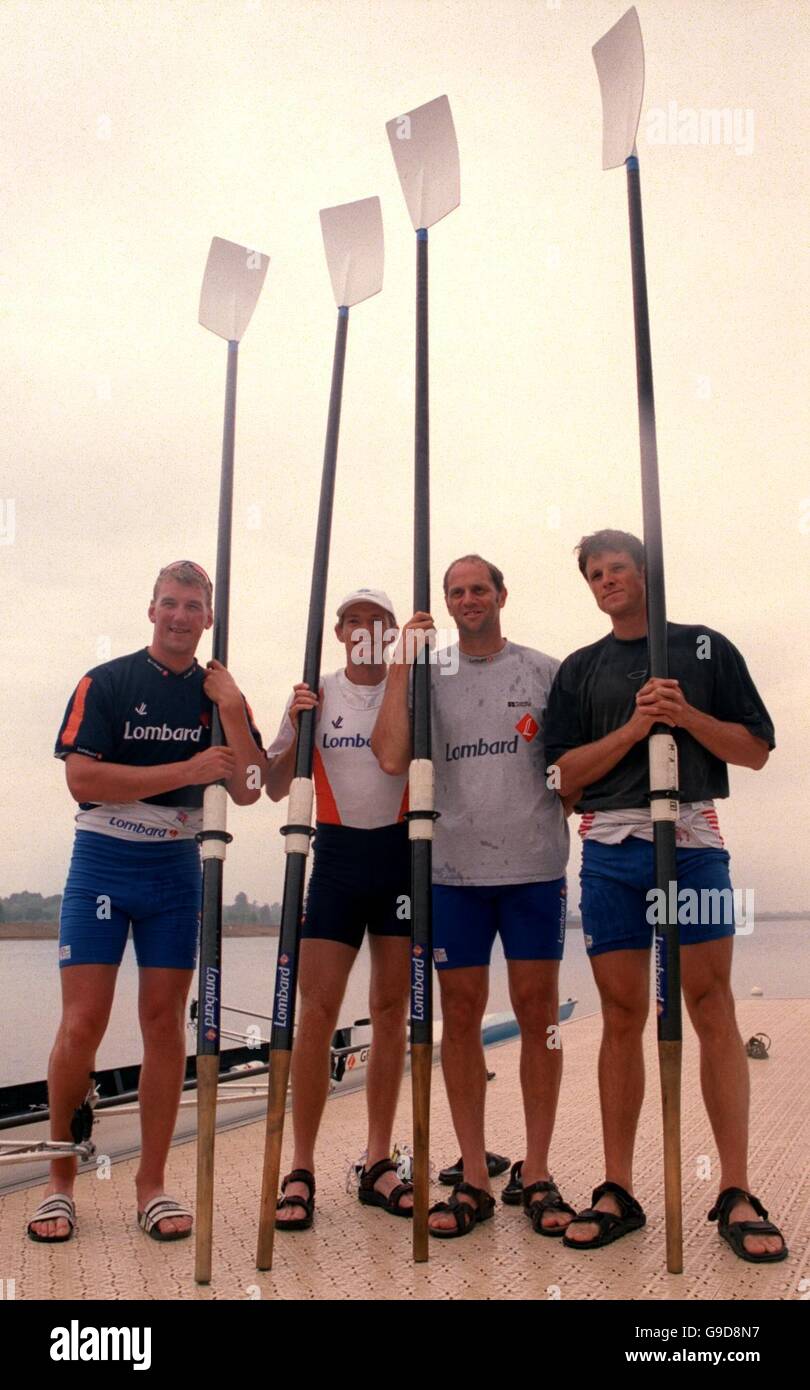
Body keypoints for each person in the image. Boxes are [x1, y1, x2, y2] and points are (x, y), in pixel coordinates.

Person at [544, 528, 787, 1261]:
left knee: (712, 1005)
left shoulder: (706, 648)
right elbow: (560, 781)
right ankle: (617, 1186)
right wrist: (635, 727)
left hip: (695, 845)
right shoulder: (581, 669)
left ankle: (735, 1189)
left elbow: (755, 750)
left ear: (646, 574)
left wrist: (684, 718)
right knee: (621, 1014)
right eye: (596, 573)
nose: (608, 580)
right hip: (611, 852)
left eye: (620, 569)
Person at [28, 560, 264, 1244]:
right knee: (83, 1025)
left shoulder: (220, 692)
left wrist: (230, 711)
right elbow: (81, 778)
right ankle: (60, 1181)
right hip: (104, 860)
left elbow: (249, 787)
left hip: (174, 867)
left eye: (194, 606)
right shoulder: (106, 681)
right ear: (151, 609)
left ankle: (151, 1184)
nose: (181, 616)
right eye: (170, 603)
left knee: (165, 1027)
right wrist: (185, 771)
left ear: (208, 617)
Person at [372, 556, 574, 1239]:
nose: (467, 600)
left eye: (478, 589)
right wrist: (404, 662)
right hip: (451, 872)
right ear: (447, 604)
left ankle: (538, 1170)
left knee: (538, 1011)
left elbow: (573, 767)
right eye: (456, 592)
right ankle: (475, 1178)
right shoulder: (432, 674)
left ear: (501, 593)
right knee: (458, 1016)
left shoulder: (546, 671)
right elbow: (391, 757)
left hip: (534, 870)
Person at [266, 589, 414, 1230]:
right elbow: (270, 786)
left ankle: (378, 1159)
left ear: (390, 635)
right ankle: (300, 1168)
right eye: (353, 620)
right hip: (335, 860)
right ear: (337, 632)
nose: (364, 630)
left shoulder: (413, 688)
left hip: (400, 856)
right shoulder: (314, 693)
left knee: (390, 1010)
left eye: (377, 623)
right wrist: (295, 728)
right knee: (316, 1012)